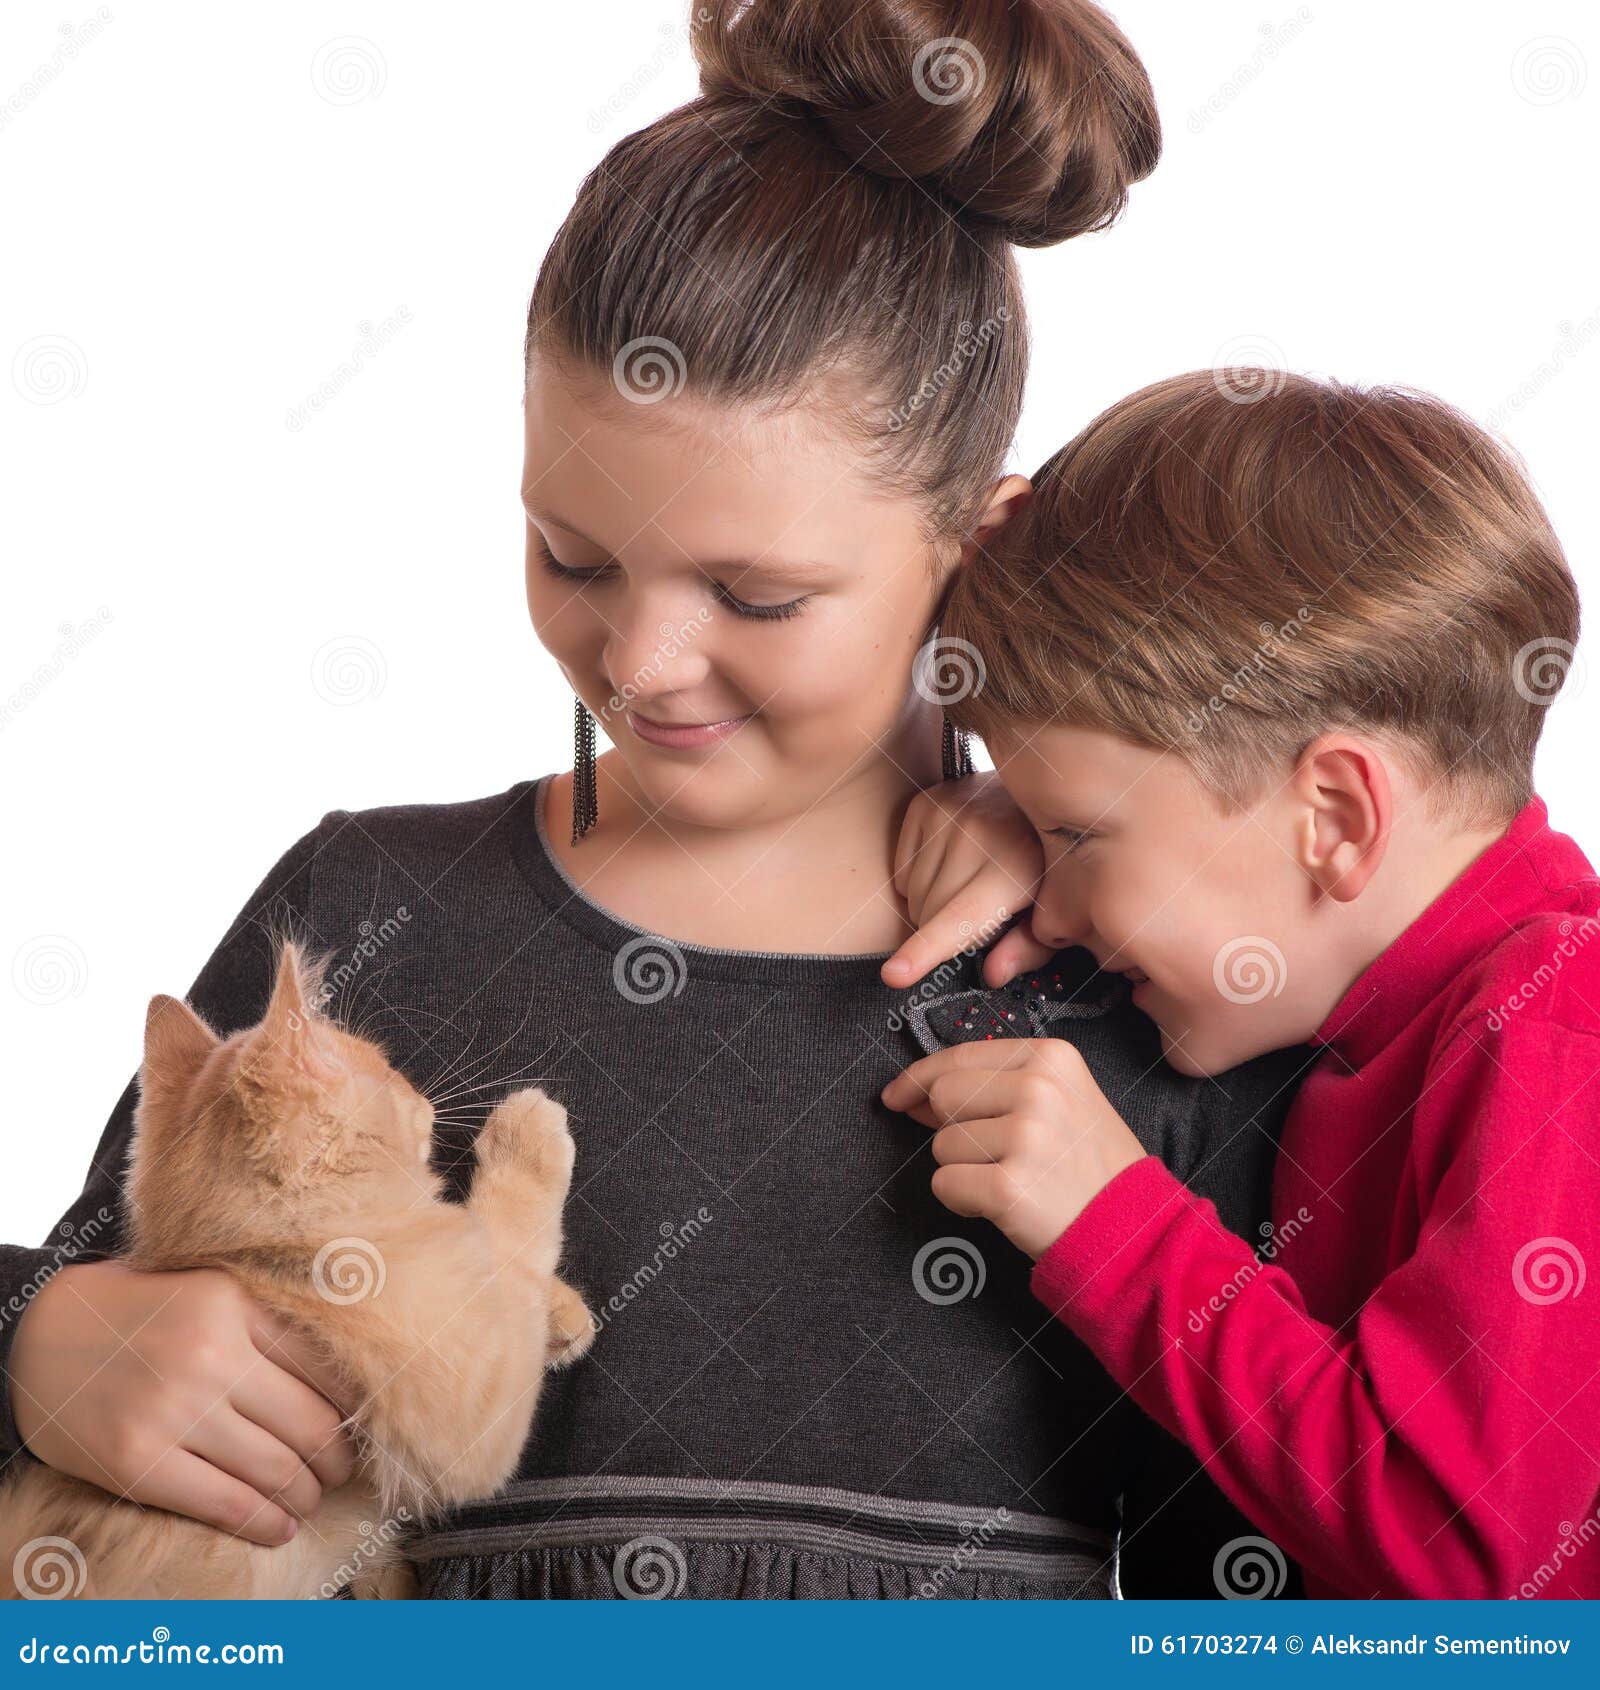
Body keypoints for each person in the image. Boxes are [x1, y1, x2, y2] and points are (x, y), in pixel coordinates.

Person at [2, 3, 1300, 1599]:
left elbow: (1324, 1548)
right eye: (574, 556)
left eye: (755, 595)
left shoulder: (1147, 991)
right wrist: (39, 1343)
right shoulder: (368, 912)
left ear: (985, 547)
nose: (643, 657)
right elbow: (90, 1347)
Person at [884, 368, 1600, 1599]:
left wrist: (1115, 1220)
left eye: (1075, 840)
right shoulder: (1391, 1009)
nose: (1047, 908)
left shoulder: (1556, 1008)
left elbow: (1463, 1548)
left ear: (1332, 815)